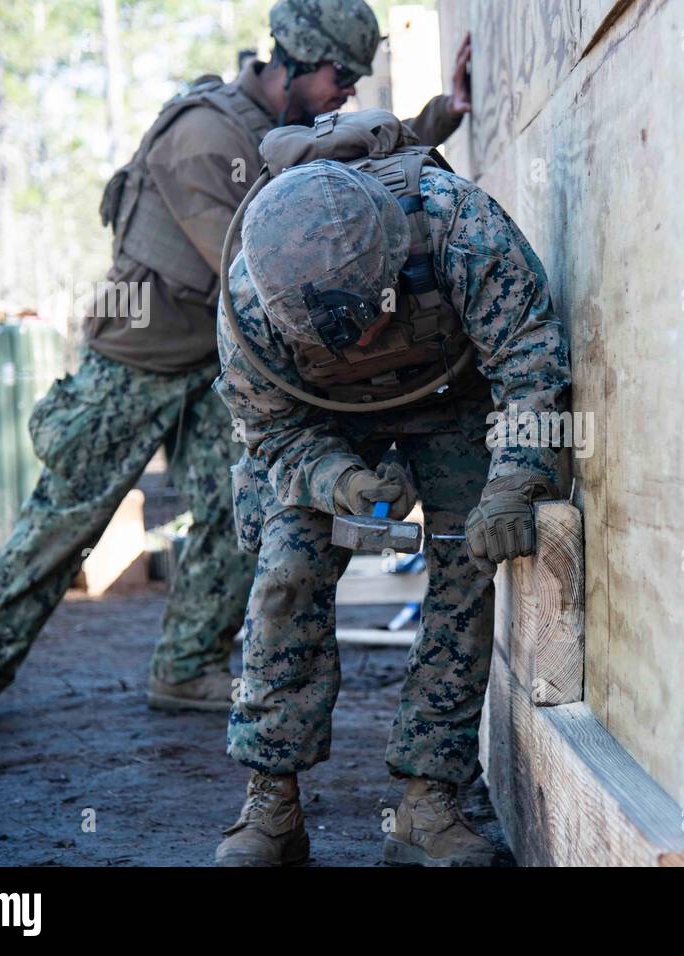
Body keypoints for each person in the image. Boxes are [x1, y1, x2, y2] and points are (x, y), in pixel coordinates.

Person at [0, 0, 472, 740]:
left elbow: (355, 155)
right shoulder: (204, 134)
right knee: (64, 522)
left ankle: (186, 666)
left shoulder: (276, 128)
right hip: (137, 361)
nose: (348, 89)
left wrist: (438, 115)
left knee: (231, 512)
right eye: (342, 74)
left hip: (216, 363)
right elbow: (258, 261)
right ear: (297, 62)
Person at [209, 118, 571, 866]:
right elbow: (269, 432)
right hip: (320, 424)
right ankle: (271, 803)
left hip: (453, 395)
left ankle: (428, 804)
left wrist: (514, 480)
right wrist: (337, 478)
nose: (359, 345)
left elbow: (530, 361)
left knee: (468, 563)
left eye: (366, 323)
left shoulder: (457, 225)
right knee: (286, 569)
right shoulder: (248, 300)